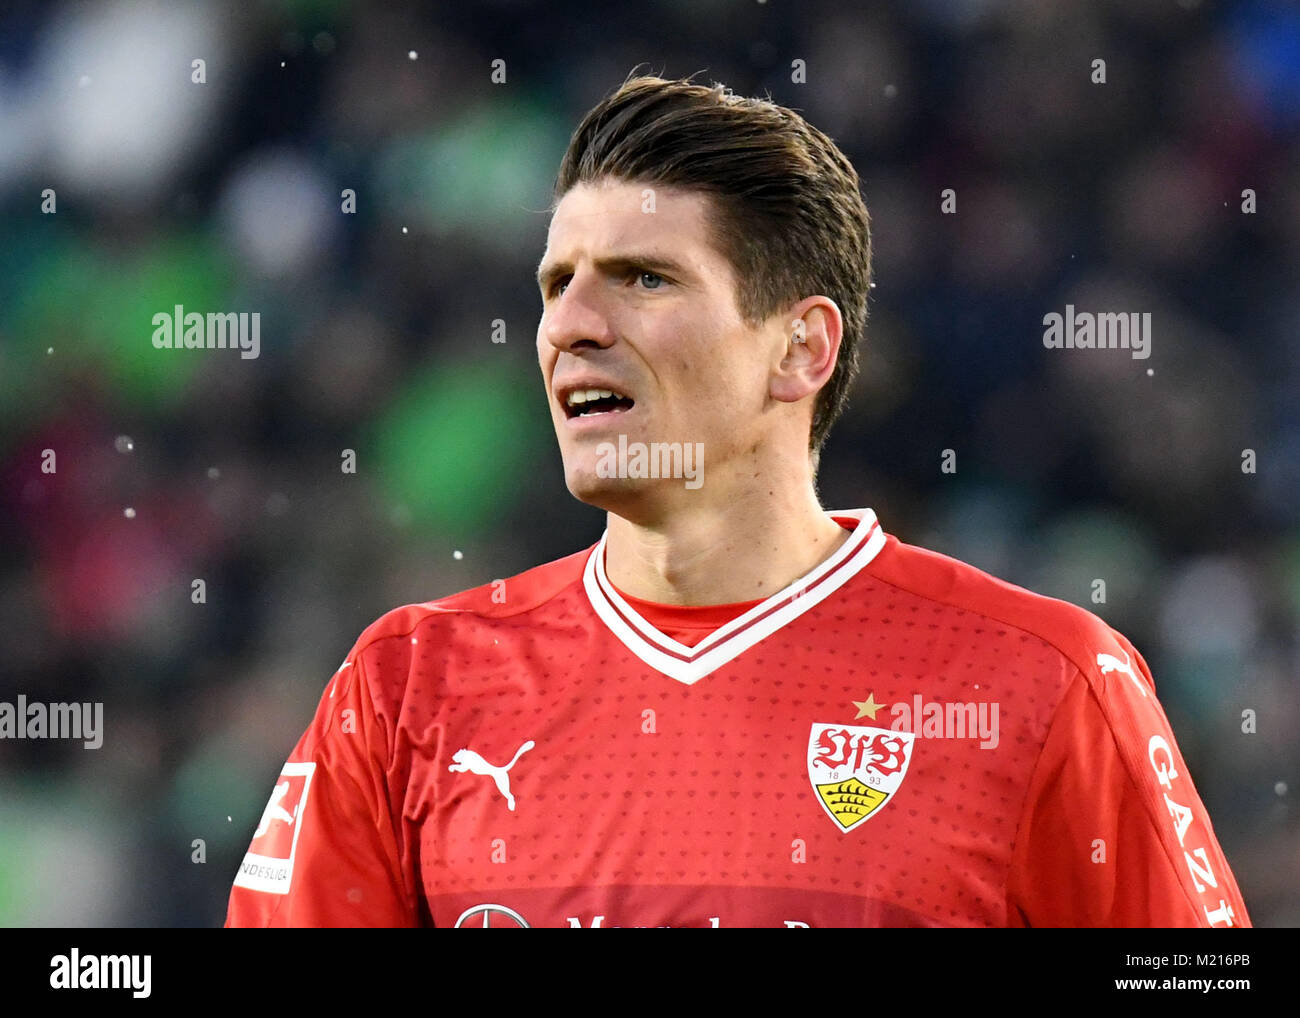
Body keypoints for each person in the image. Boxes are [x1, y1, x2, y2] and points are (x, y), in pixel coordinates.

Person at [225, 73, 1250, 928]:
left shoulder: (1047, 684)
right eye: (556, 283)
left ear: (800, 347)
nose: (570, 324)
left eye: (644, 280)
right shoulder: (405, 692)